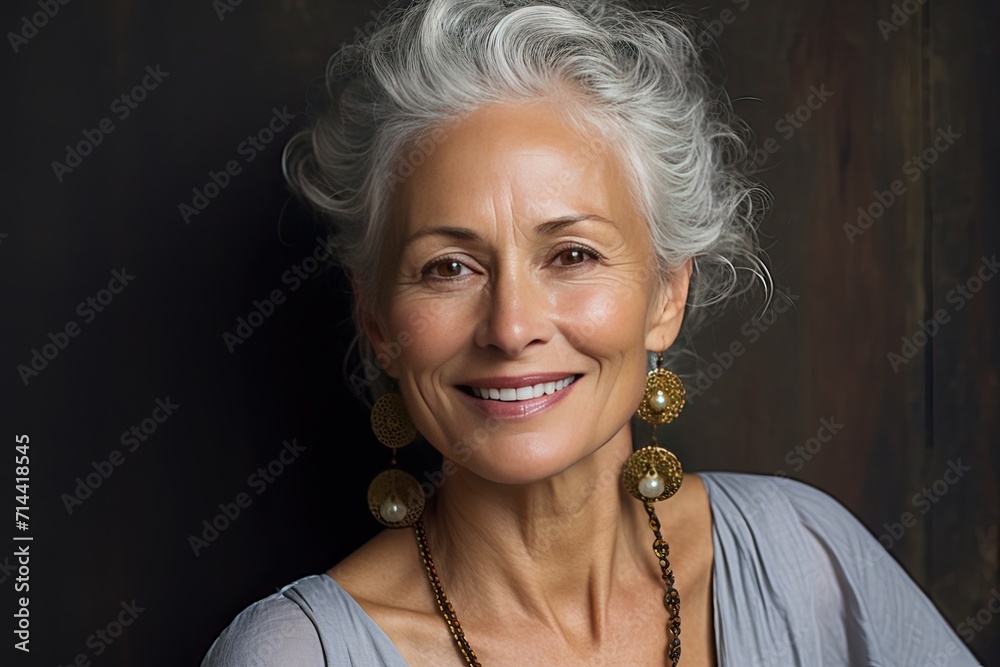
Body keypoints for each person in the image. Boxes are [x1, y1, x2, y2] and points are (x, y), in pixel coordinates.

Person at [200, 0, 981, 665]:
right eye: (448, 267)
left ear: (668, 294)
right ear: (376, 318)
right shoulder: (295, 654)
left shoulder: (806, 560)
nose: (511, 327)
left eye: (571, 254)